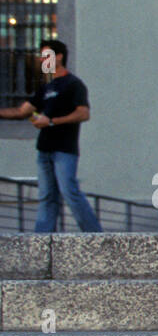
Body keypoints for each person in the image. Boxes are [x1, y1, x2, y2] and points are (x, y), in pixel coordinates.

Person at [0, 39, 102, 232]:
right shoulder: (46, 88)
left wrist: (53, 121)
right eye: (41, 56)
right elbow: (23, 111)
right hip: (44, 150)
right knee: (46, 196)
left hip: (64, 149)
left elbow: (83, 113)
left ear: (59, 57)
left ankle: (94, 236)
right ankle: (42, 240)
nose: (41, 60)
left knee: (69, 192)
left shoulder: (73, 84)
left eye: (46, 55)